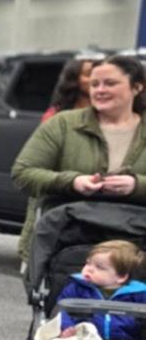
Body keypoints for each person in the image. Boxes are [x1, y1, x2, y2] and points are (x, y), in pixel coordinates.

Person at [11, 54, 146, 265]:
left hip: (135, 254)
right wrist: (73, 182)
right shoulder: (63, 124)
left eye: (110, 83)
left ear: (137, 87)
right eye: (94, 84)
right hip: (60, 245)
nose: (100, 90)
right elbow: (23, 172)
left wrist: (136, 185)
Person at [40, 56, 94, 123]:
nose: (95, 79)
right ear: (74, 79)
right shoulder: (55, 115)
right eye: (89, 74)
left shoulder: (105, 111)